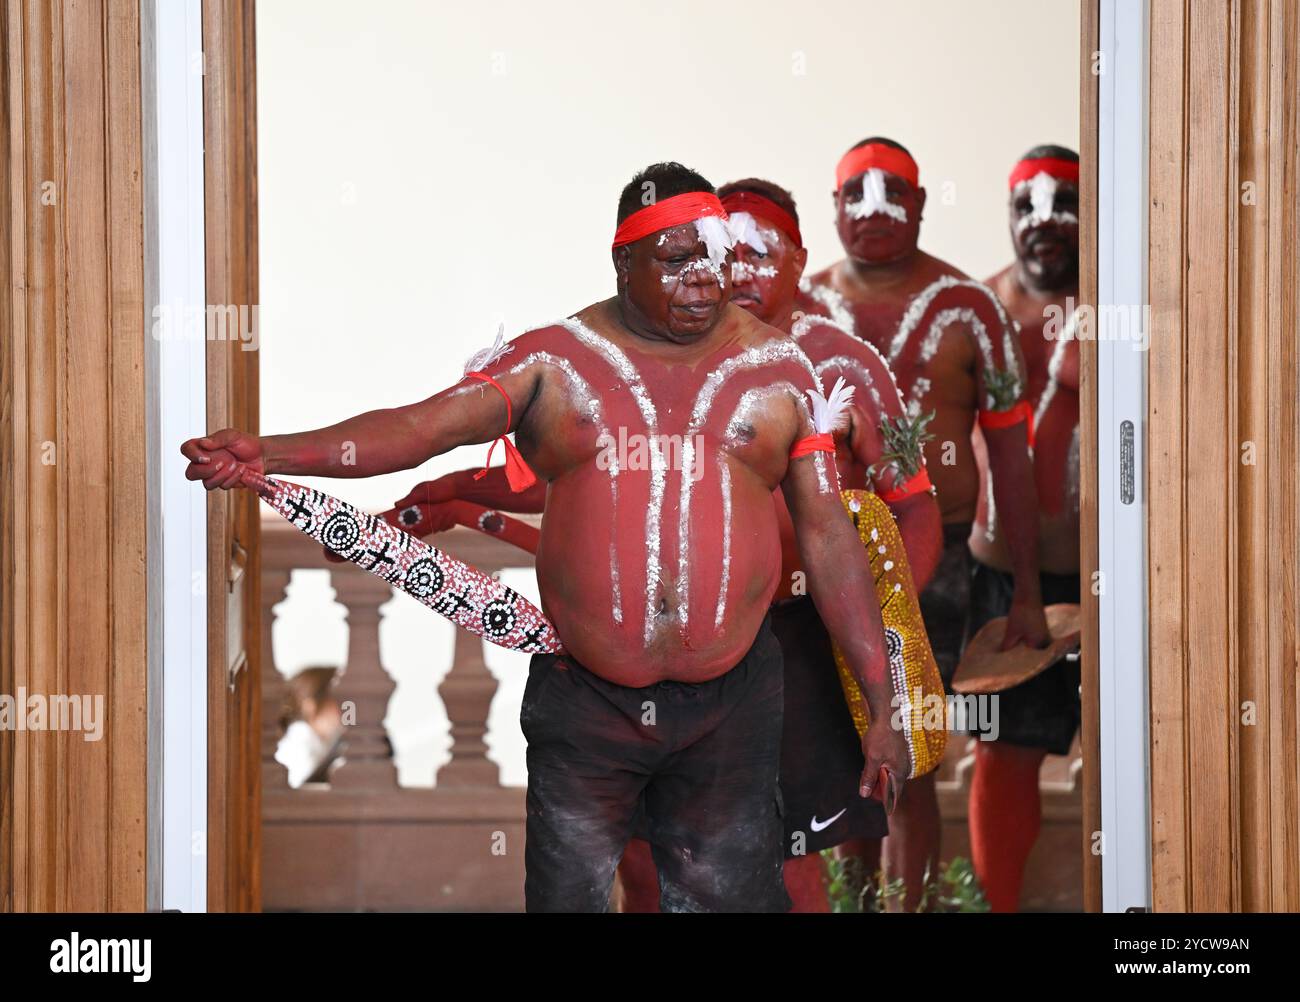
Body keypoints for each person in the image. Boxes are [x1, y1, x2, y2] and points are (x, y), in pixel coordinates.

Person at [181, 162, 909, 913]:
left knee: (737, 901)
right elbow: (419, 429)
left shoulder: (778, 369)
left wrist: (884, 706)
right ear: (623, 261)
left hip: (734, 704)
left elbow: (829, 542)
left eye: (715, 258)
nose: (703, 278)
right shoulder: (552, 363)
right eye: (675, 260)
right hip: (588, 704)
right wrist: (271, 453)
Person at [397, 178, 946, 912]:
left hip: (800, 650)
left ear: (796, 259)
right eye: (721, 252)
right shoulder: (660, 352)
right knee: (647, 861)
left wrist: (879, 660)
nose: (733, 272)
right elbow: (581, 484)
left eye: (755, 253)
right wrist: (454, 496)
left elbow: (896, 516)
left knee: (783, 858)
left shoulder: (833, 363)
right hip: (658, 671)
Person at [797, 137, 1050, 908]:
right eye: (855, 195)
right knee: (839, 747)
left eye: (892, 194)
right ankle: (854, 901)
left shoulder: (973, 309)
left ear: (920, 203)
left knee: (917, 753)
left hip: (936, 563)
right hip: (824, 554)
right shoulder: (798, 306)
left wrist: (1026, 591)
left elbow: (1013, 458)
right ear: (833, 205)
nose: (872, 211)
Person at [967, 146, 1082, 912]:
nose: (1042, 222)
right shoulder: (975, 309)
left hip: (1113, 564)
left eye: (1063, 204)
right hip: (997, 567)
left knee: (1139, 742)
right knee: (1000, 749)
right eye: (1025, 208)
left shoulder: (1128, 300)